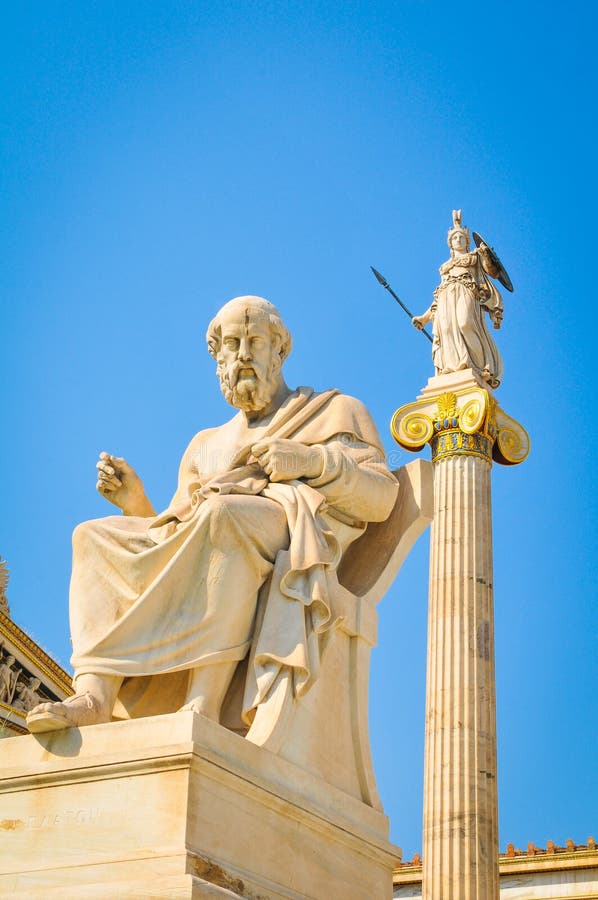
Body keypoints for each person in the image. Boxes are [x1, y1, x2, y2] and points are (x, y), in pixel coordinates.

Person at [27, 296, 398, 733]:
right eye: (232, 344)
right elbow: (172, 538)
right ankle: (95, 693)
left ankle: (203, 701)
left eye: (255, 341)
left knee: (222, 515)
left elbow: (381, 497)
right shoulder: (206, 443)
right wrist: (135, 504)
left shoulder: (334, 411)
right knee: (90, 535)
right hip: (214, 527)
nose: (242, 355)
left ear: (281, 351)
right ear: (217, 358)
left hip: (282, 535)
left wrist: (310, 461)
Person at [413, 210, 504, 387]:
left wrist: (485, 254)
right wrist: (424, 318)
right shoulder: (444, 267)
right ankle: (454, 366)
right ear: (450, 243)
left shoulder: (474, 257)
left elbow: (493, 272)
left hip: (466, 290)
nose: (458, 240)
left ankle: (481, 367)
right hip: (446, 296)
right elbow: (438, 295)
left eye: (462, 238)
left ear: (467, 242)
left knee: (465, 323)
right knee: (446, 329)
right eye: (455, 238)